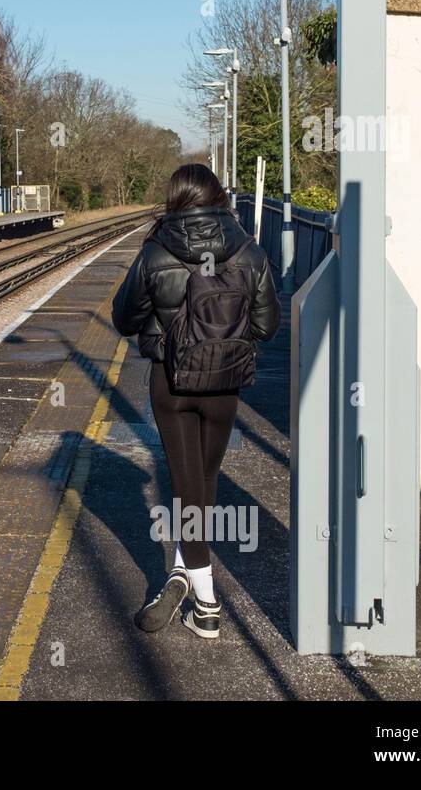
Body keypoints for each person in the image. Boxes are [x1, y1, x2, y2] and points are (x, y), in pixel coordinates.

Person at [111, 164, 279, 640]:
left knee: (186, 487)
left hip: (171, 384)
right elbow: (267, 327)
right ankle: (184, 573)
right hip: (225, 386)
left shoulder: (155, 251)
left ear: (176, 198)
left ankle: (206, 603)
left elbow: (124, 319)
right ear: (219, 197)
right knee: (203, 482)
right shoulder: (248, 250)